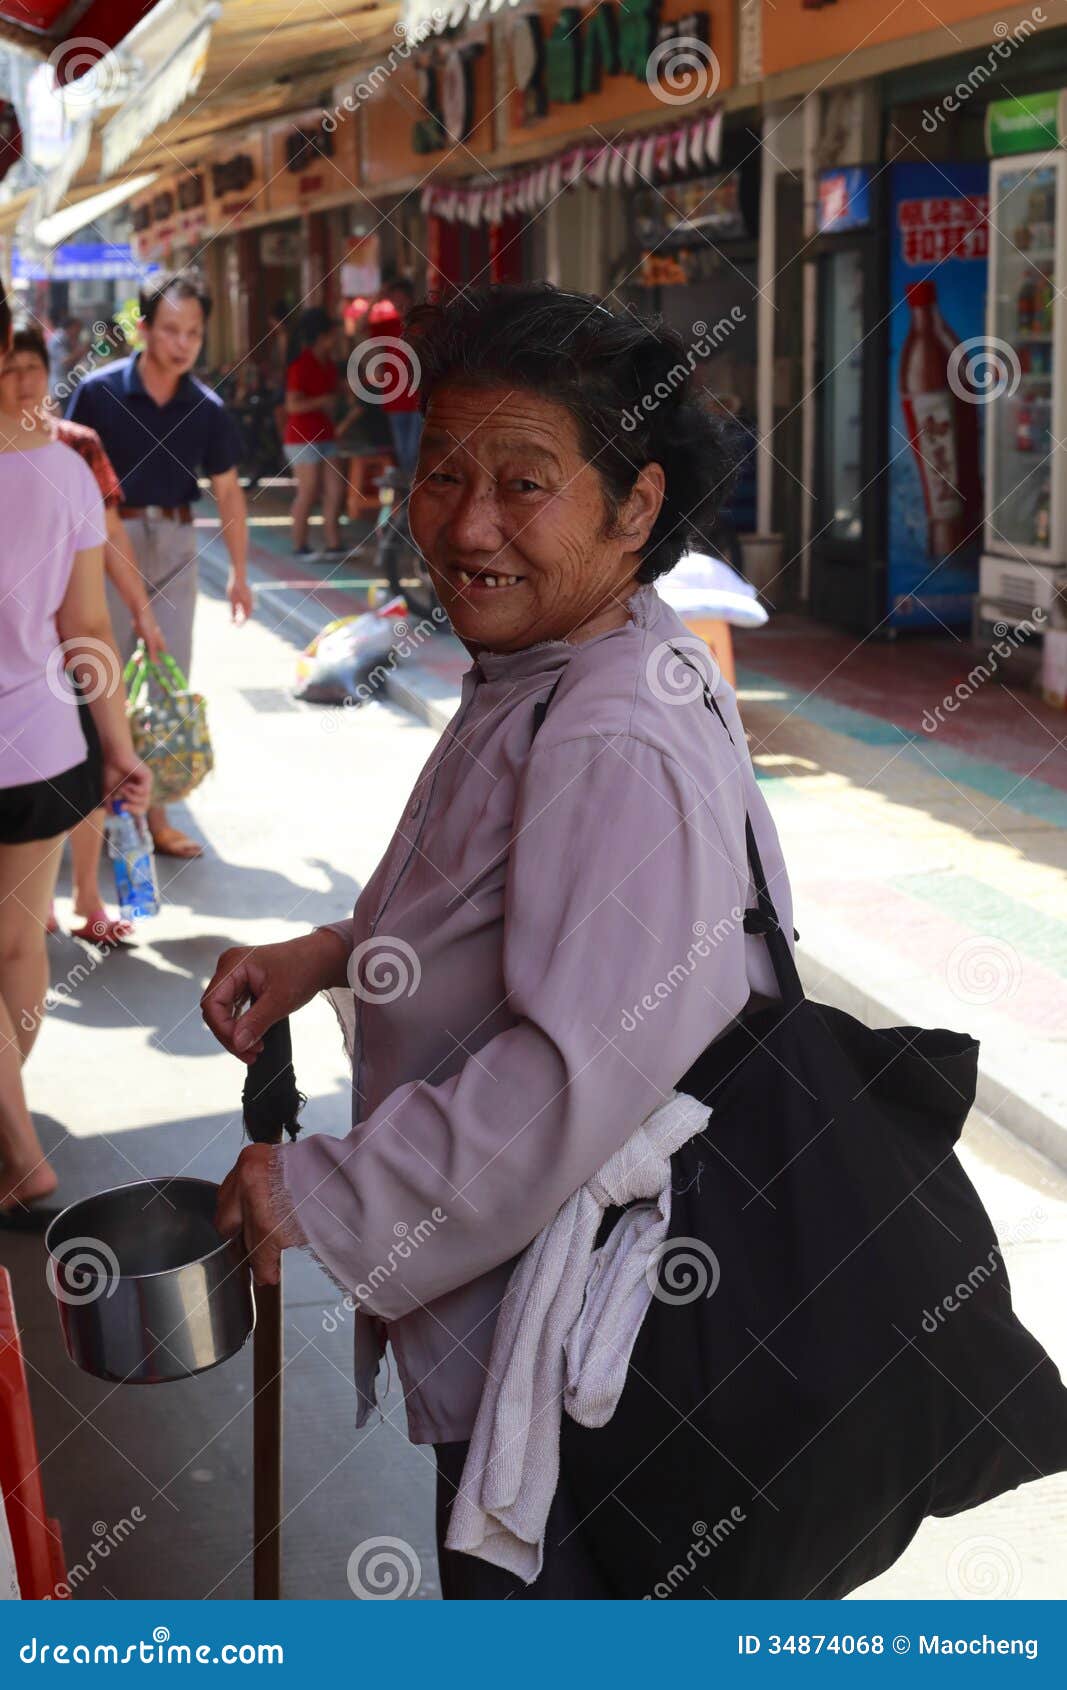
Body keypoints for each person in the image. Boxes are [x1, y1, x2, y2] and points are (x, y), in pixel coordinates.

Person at [201, 284, 796, 1597]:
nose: (465, 526)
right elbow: (501, 905)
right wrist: (333, 952)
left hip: (578, 1357)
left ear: (633, 506)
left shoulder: (609, 730)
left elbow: (575, 1075)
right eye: (441, 475)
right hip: (539, 1305)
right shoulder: (566, 658)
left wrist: (325, 1192)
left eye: (523, 484)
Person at [0, 279, 150, 1223]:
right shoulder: (64, 471)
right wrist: (119, 747)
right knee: (20, 941)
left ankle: (19, 1152)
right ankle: (10, 1122)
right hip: (47, 746)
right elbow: (87, 628)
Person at [66, 268, 252, 861]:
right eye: (171, 329)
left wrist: (240, 573)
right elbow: (68, 476)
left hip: (174, 546)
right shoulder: (97, 393)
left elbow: (229, 492)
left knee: (167, 681)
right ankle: (92, 818)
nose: (182, 343)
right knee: (100, 678)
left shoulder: (208, 408)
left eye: (194, 333)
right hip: (102, 544)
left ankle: (157, 816)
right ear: (142, 328)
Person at [1, 325, 165, 944]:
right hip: (40, 700)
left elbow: (110, 540)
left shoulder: (75, 449)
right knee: (17, 948)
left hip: (61, 678)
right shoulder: (62, 464)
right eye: (8, 368)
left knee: (90, 767)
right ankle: (39, 905)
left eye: (31, 368)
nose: (21, 381)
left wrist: (141, 611)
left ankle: (86, 896)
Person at [283, 306, 360, 559]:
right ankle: (299, 546)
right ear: (321, 336)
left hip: (326, 435)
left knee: (336, 490)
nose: (335, 340)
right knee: (308, 492)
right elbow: (292, 405)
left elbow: (335, 390)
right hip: (301, 437)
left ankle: (334, 544)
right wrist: (323, 400)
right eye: (332, 335)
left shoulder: (328, 364)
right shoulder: (301, 365)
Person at [360, 272, 422, 473]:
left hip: (419, 397)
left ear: (411, 299)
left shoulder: (424, 324)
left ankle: (413, 488)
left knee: (415, 451)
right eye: (393, 300)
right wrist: (376, 298)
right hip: (395, 398)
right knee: (403, 453)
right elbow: (360, 326)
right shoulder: (388, 325)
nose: (397, 304)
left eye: (401, 299)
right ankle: (408, 490)